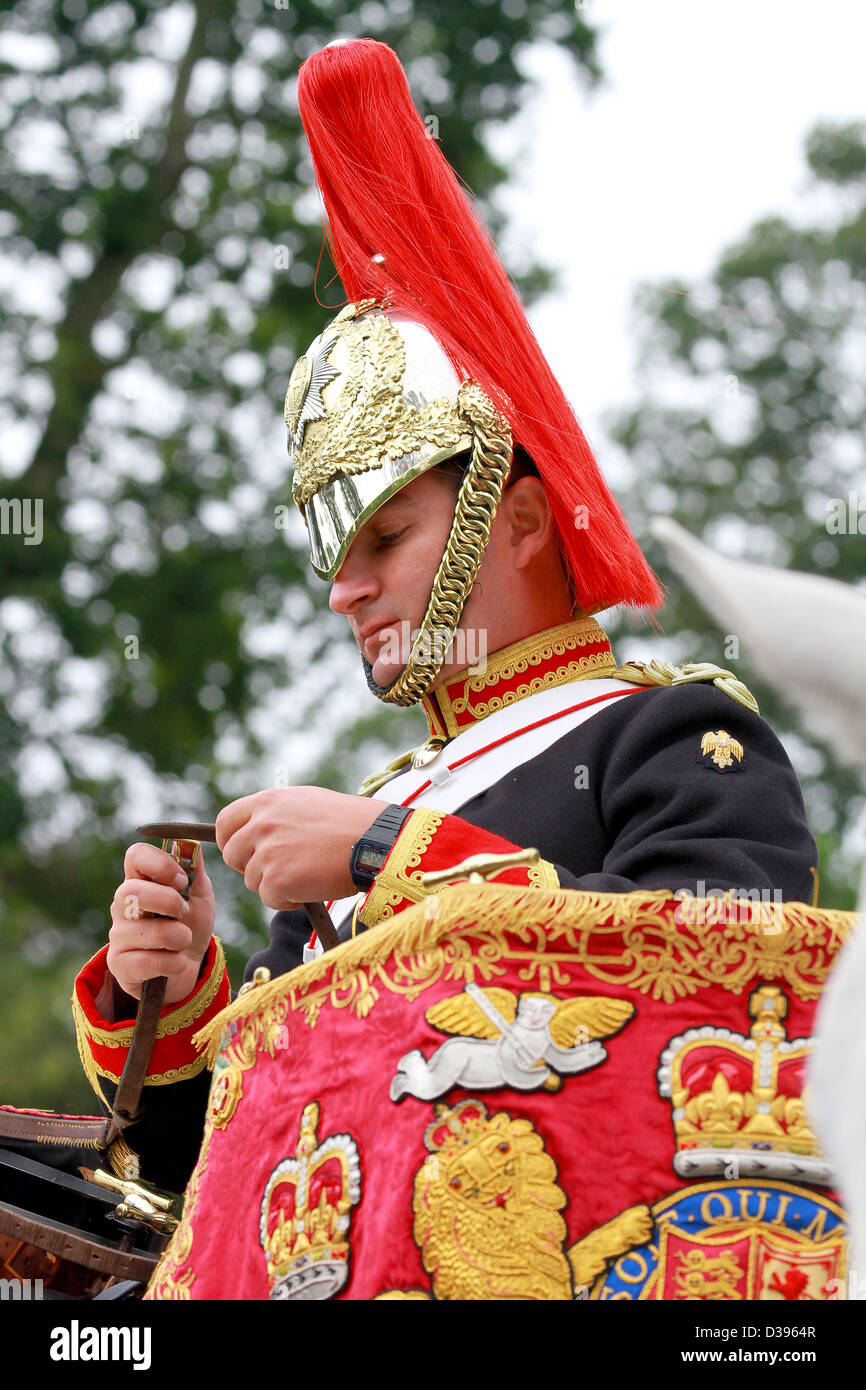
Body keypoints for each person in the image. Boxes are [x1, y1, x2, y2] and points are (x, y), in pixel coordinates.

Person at [72, 39, 818, 1194]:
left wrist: (383, 854)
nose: (343, 590)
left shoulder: (664, 734)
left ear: (516, 518)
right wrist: (166, 991)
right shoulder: (368, 814)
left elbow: (725, 979)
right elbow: (225, 1178)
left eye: (384, 538)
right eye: (336, 553)